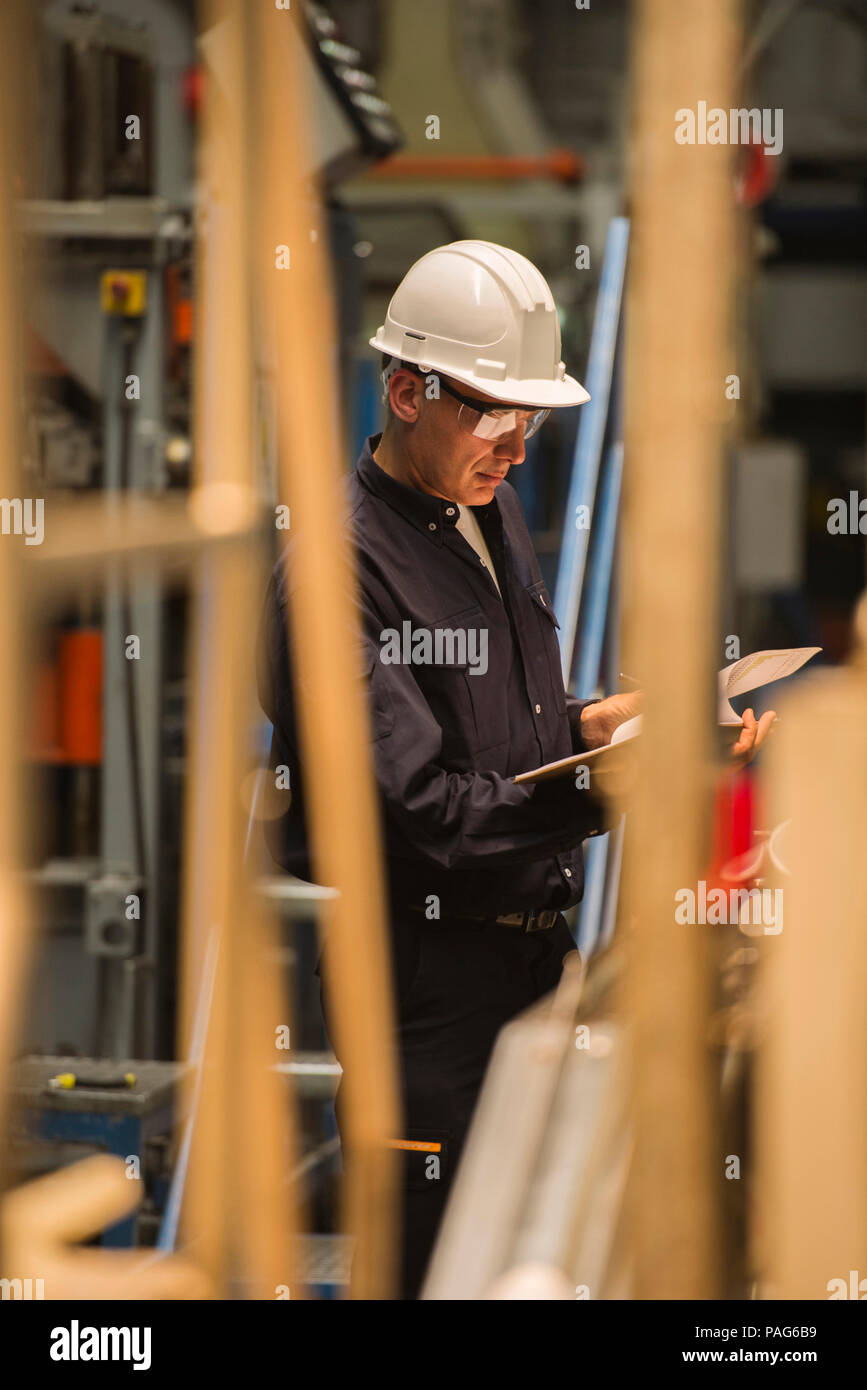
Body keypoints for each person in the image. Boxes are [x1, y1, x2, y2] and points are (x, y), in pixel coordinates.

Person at [257, 240, 773, 1298]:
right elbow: (429, 810)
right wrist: (610, 785)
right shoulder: (334, 573)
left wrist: (622, 719)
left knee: (520, 1268)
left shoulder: (485, 511)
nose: (518, 452)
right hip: (423, 1002)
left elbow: (514, 734)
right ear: (408, 393)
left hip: (532, 973)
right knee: (432, 1270)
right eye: (496, 418)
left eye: (530, 424)